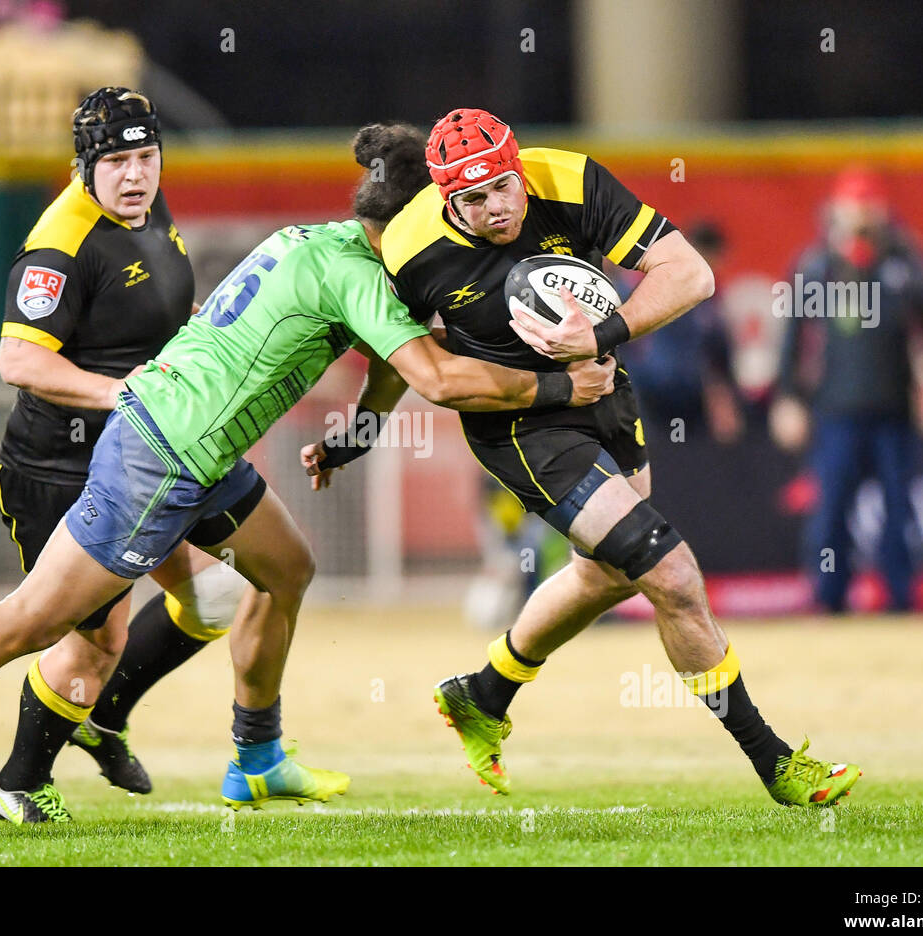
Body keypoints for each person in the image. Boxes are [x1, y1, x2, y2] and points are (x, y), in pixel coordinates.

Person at [0, 123, 615, 829]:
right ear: (412, 217)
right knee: (33, 623)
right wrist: (560, 385)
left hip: (198, 445)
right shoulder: (361, 275)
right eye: (444, 213)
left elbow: (396, 358)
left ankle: (255, 757)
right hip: (165, 454)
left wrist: (355, 435)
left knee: (284, 569)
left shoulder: (327, 245)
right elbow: (434, 375)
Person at [306, 108, 860, 807]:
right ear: (445, 199)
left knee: (605, 575)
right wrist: (360, 432)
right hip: (516, 426)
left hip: (600, 387)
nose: (495, 209)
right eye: (472, 199)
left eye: (503, 187)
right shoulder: (412, 247)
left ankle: (483, 693)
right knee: (673, 576)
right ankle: (774, 760)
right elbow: (400, 360)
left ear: (519, 167)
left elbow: (689, 274)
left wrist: (601, 331)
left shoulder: (566, 178)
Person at [0, 86, 248, 823]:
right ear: (84, 165)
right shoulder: (60, 241)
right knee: (88, 636)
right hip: (59, 472)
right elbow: (19, 361)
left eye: (146, 156)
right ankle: (15, 781)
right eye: (116, 161)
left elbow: (152, 314)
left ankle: (102, 719)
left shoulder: (146, 206)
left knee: (220, 594)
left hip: (141, 457)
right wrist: (119, 393)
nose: (135, 174)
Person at [769, 167, 923, 612]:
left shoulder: (904, 264)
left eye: (868, 203)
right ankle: (828, 600)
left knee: (900, 511)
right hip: (836, 412)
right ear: (836, 209)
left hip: (895, 411)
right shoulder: (818, 267)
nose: (860, 213)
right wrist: (788, 398)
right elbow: (793, 341)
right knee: (831, 510)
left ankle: (901, 599)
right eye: (852, 203)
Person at [620, 221, 744, 443]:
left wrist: (723, 394)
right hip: (652, 398)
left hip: (692, 405)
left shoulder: (711, 300)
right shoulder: (658, 286)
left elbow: (719, 353)